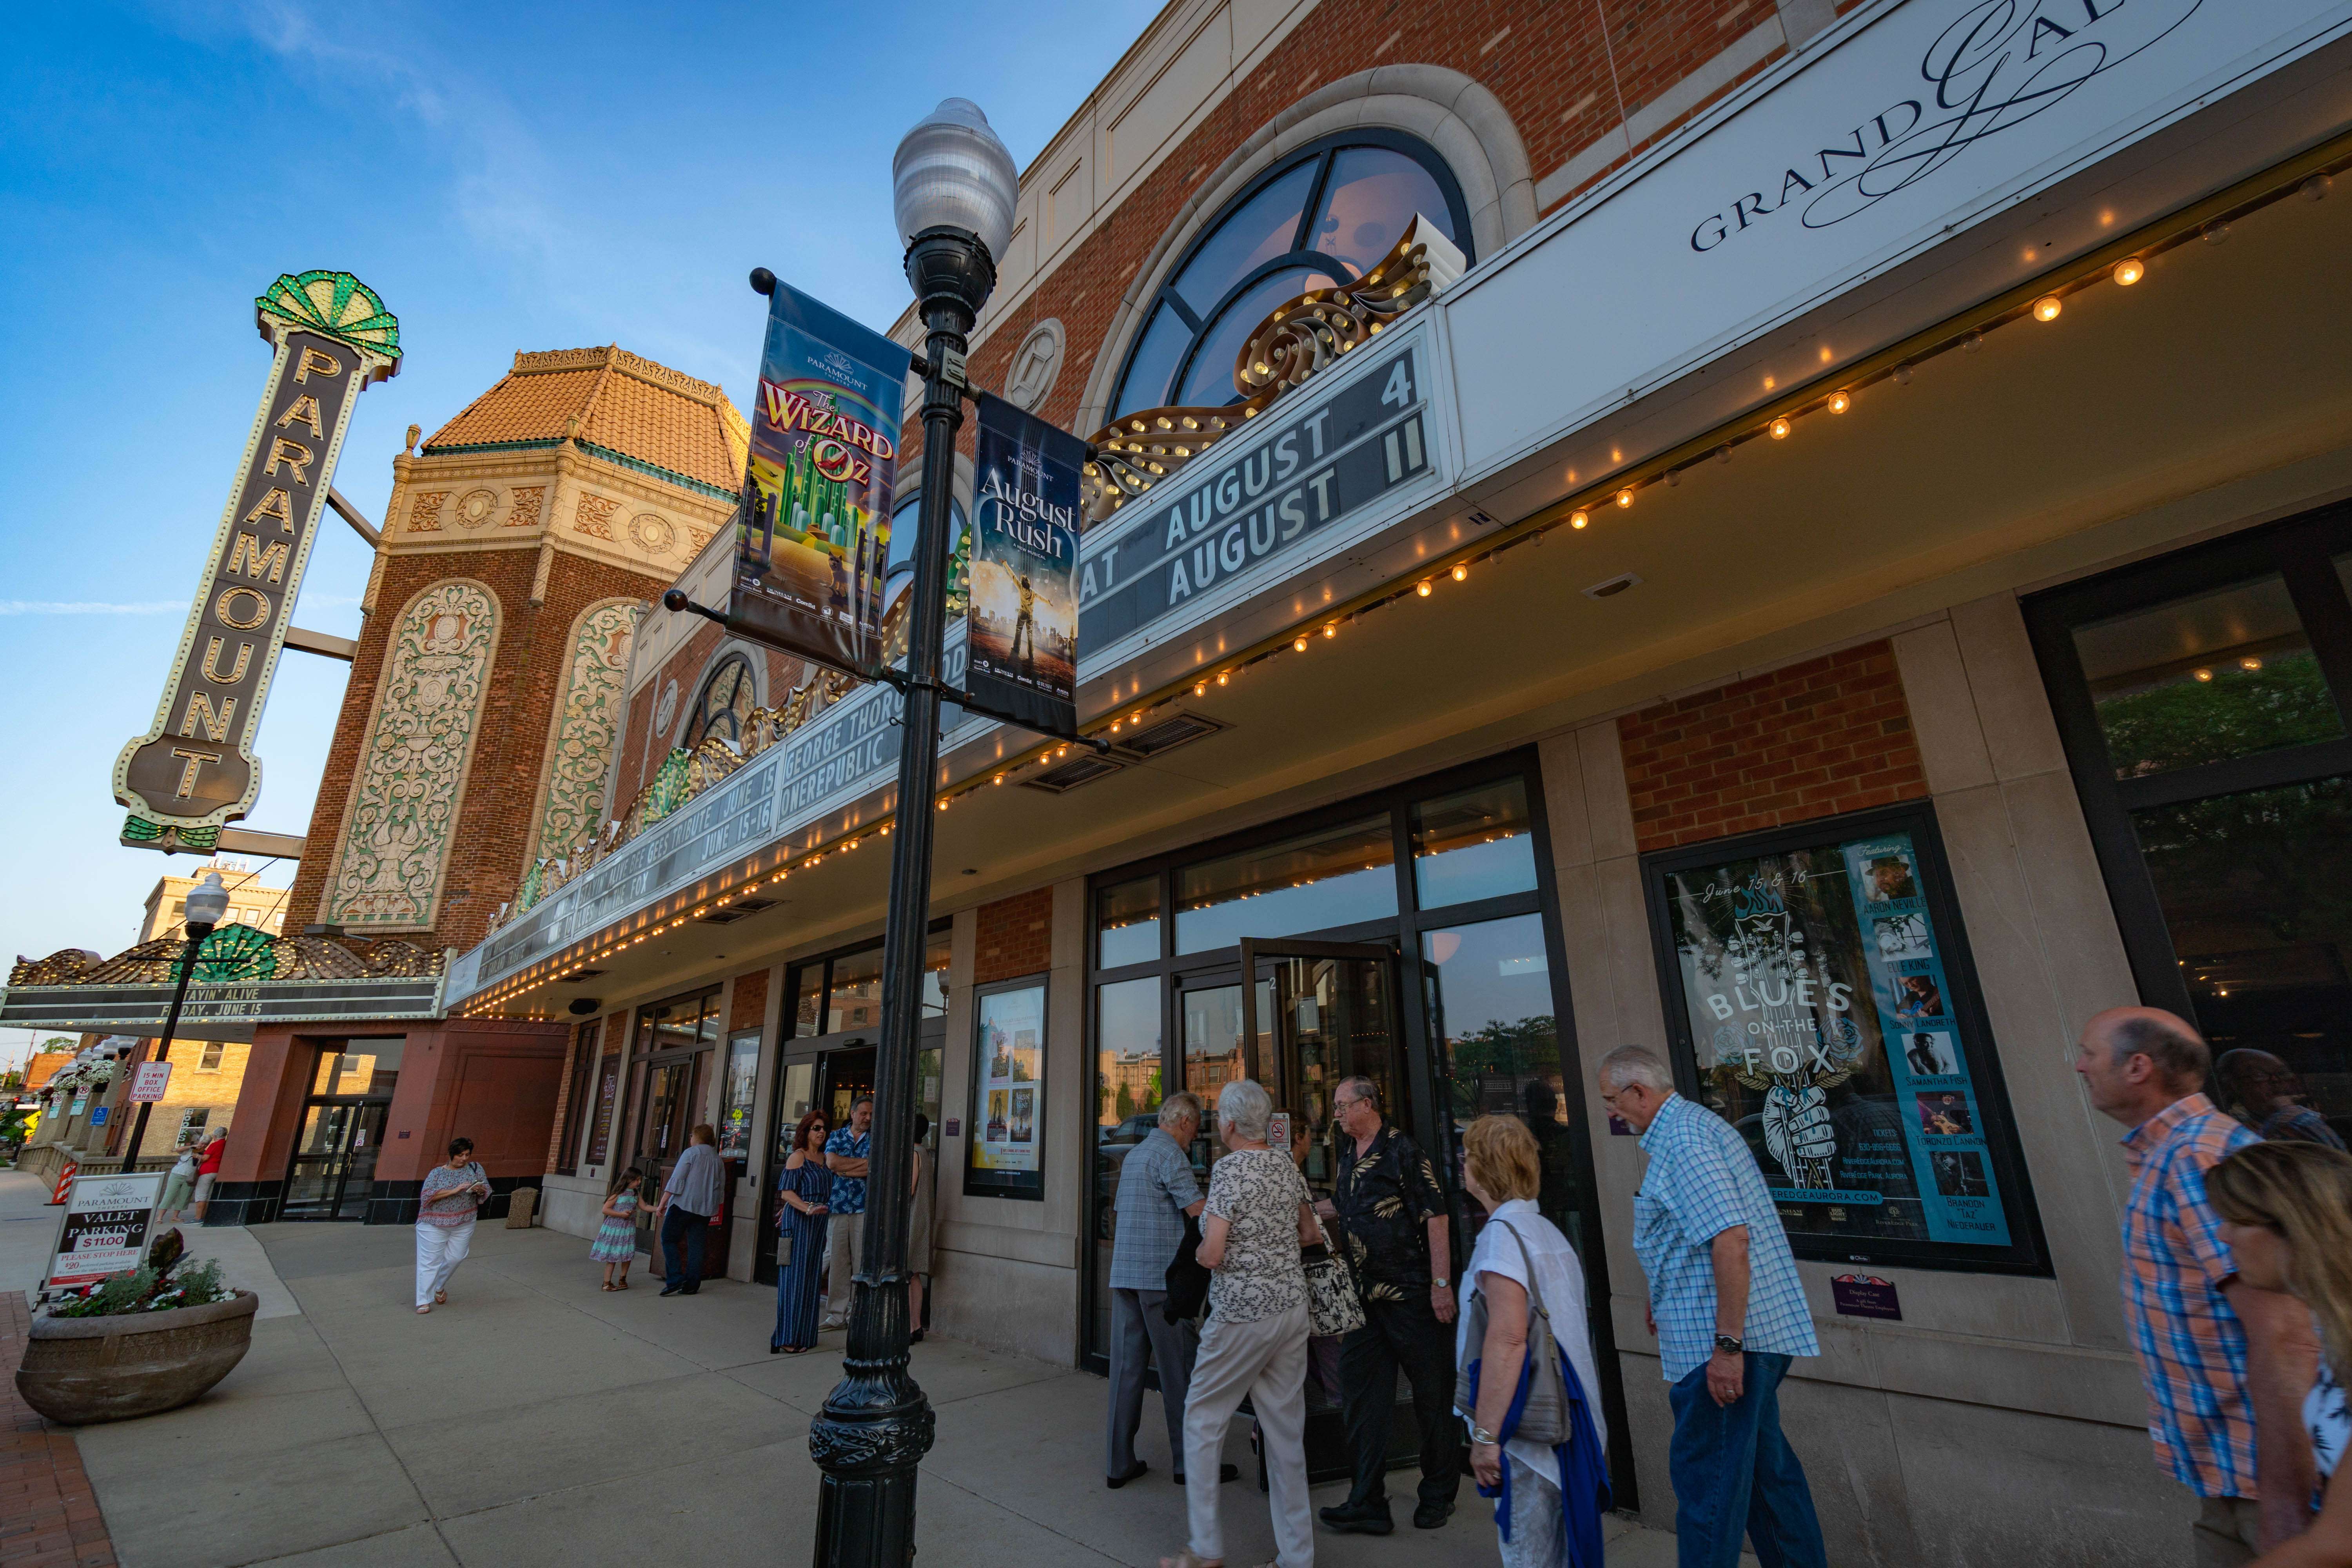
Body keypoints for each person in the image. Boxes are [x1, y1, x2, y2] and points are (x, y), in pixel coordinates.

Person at [2076, 1006, 2321, 1562]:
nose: (2080, 1066)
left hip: (2267, 1489)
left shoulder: (2195, 1156)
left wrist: (2285, 1503)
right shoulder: (2175, 1152)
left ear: (2138, 1067)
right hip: (2236, 1481)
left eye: (2090, 1053)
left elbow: (2286, 1334)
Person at [1596, 1045, 1826, 1568]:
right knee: (1768, 1481)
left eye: (1612, 1099)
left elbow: (1731, 1239)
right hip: (1740, 1339)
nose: (1611, 1110)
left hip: (1723, 1348)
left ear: (1639, 1091)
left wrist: (1727, 1347)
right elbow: (1696, 1237)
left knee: (1708, 1492)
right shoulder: (1690, 1131)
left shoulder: (1685, 1140)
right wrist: (1662, 1293)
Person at [1160, 1079, 1318, 1568]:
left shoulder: (1230, 1170)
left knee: (1202, 1418)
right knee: (1286, 1435)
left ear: (1228, 1124)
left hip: (1242, 1314)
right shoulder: (1286, 1164)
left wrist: (1203, 1251)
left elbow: (1212, 1254)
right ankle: (1297, 1556)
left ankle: (1206, 1548)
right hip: (1290, 1306)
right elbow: (1310, 1231)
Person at [1457, 1114, 1610, 1568]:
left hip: (1528, 1435)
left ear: (1486, 1166)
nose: (1462, 1164)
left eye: (1468, 1155)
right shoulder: (1546, 1231)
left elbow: (1508, 1340)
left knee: (1531, 1556)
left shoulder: (1502, 1240)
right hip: (1568, 1423)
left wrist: (1487, 1437)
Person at [1316, 1074, 1459, 1536]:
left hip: (1412, 1295)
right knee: (1360, 1395)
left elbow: (1436, 1214)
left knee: (1431, 1395)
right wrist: (1301, 1208)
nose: (1336, 1113)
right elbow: (1343, 1205)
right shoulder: (1348, 1153)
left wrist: (1441, 1284)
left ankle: (1438, 1494)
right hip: (1365, 1300)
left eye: (1342, 1105)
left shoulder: (1402, 1149)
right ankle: (1367, 1500)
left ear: (1368, 1104)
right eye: (1336, 1106)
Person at [2205, 1140, 2352, 1567]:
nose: (2222, 1234)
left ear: (2299, 1227)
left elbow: (2338, 1543)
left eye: (2238, 1220)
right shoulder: (2335, 1329)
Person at [1107, 1092, 1220, 1489]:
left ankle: (1118, 1463)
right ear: (1185, 1122)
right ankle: (1190, 1465)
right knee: (1179, 1374)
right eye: (1196, 1128)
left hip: (1125, 1275)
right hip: (1159, 1281)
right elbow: (1199, 1213)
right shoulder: (1171, 1154)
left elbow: (1120, 1212)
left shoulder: (1136, 1154)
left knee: (1126, 1372)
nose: (1195, 1137)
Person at [773, 1111, 831, 1354]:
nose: (821, 1132)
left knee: (810, 1280)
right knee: (793, 1280)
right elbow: (787, 1193)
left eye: (824, 1128)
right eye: (816, 1128)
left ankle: (805, 1335)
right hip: (796, 1225)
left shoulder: (823, 1158)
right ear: (806, 1132)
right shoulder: (798, 1157)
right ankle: (786, 1338)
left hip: (818, 1226)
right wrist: (807, 1208)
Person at [2218, 1050, 2348, 1152]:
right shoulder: (2230, 1130)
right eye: (2259, 1075)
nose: (2275, 1080)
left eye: (2282, 1073)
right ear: (2233, 1085)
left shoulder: (2310, 1115)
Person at [415, 1137, 490, 1315]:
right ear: (451, 1154)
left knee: (456, 1257)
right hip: (433, 1224)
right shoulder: (437, 1173)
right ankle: (424, 1301)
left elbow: (486, 1189)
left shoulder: (475, 1168)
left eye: (467, 1155)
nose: (464, 1159)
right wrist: (454, 1191)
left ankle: (439, 1286)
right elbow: (426, 1197)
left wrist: (480, 1190)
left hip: (465, 1221)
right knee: (430, 1262)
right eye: (460, 1155)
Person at [822, 1096, 874, 1328]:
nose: (868, 1118)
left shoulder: (876, 1138)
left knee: (860, 1262)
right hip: (838, 1206)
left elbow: (873, 1167)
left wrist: (845, 1170)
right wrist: (860, 1164)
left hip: (864, 1208)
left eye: (871, 1114)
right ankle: (836, 1315)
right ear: (852, 1114)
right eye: (864, 1114)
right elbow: (832, 1163)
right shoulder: (836, 1136)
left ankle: (857, 1314)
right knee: (838, 1262)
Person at [657, 1123, 724, 1298]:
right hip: (705, 1208)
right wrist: (715, 1206)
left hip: (683, 1204)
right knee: (696, 1246)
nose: (691, 1139)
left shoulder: (691, 1153)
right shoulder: (717, 1158)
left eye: (692, 1136)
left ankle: (675, 1278)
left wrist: (663, 1202)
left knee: (668, 1239)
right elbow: (720, 1186)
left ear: (697, 1137)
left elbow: (677, 1179)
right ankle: (692, 1285)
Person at [590, 1165, 642, 1290]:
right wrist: (621, 1214)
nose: (639, 1182)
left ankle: (623, 1279)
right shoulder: (618, 1193)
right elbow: (606, 1210)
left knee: (628, 1253)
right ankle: (606, 1283)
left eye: (640, 1180)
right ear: (629, 1179)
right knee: (613, 1254)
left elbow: (644, 1206)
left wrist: (659, 1209)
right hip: (616, 1228)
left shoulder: (636, 1193)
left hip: (628, 1229)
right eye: (637, 1180)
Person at [909, 1112, 935, 1344]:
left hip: (912, 1218)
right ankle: (915, 1326)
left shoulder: (914, 1154)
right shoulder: (925, 1153)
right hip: (922, 1217)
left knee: (908, 1273)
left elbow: (909, 1188)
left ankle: (911, 1326)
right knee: (913, 1274)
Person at [191, 1127, 227, 1221]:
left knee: (201, 1196)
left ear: (215, 1136)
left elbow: (205, 1158)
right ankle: (204, 1216)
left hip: (207, 1171)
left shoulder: (215, 1145)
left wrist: (197, 1155)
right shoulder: (225, 1144)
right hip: (218, 1171)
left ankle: (198, 1218)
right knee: (208, 1196)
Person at [158, 1144, 199, 1224]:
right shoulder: (188, 1151)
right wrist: (191, 1147)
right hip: (177, 1174)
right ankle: (160, 1217)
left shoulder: (203, 1154)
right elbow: (177, 1149)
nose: (203, 1145)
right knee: (170, 1195)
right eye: (202, 1143)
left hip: (190, 1177)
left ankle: (175, 1217)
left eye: (205, 1144)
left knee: (184, 1196)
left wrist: (198, 1156)